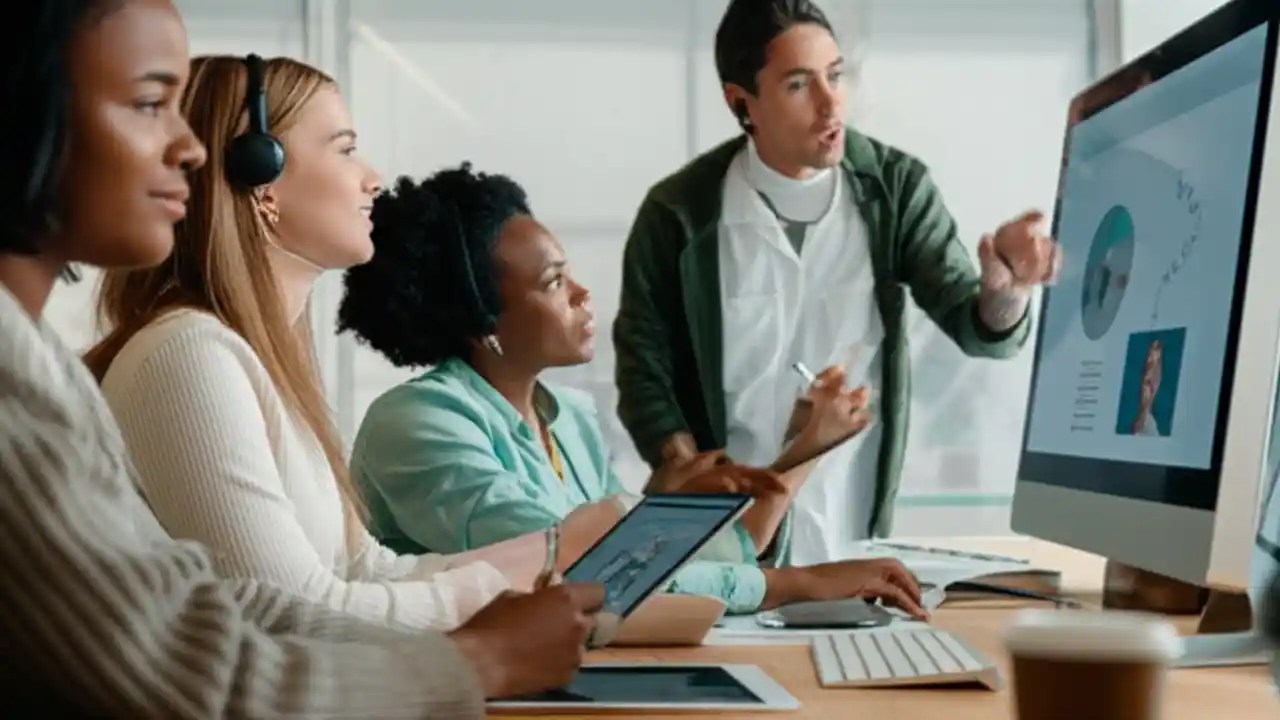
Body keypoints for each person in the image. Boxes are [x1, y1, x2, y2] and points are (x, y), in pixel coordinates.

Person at [0, 1, 601, 714]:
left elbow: (235, 603)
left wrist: (519, 588)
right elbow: (217, 660)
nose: (190, 152)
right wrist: (481, 655)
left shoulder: (52, 367)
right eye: (148, 104)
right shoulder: (177, 356)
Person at [80, 52, 619, 632]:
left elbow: (362, 569)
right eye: (343, 148)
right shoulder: (188, 357)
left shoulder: (256, 363)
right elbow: (293, 614)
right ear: (261, 177)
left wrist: (545, 554)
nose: (373, 178)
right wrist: (504, 595)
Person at [339, 164, 926, 617]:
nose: (582, 293)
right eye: (553, 282)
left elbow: (660, 560)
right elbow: (582, 570)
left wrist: (803, 448)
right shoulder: (418, 424)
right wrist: (794, 584)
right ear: (484, 323)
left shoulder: (567, 419)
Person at [613, 0, 1061, 565]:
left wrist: (1007, 291)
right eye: (799, 84)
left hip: (850, 533)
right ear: (741, 102)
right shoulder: (678, 213)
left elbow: (974, 323)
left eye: (836, 75)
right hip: (724, 544)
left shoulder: (896, 190)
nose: (831, 104)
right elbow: (642, 366)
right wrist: (685, 468)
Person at [1131, 339, 1164, 437]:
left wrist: (1143, 417)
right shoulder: (1149, 367)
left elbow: (1151, 393)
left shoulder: (1155, 373)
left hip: (1145, 421)